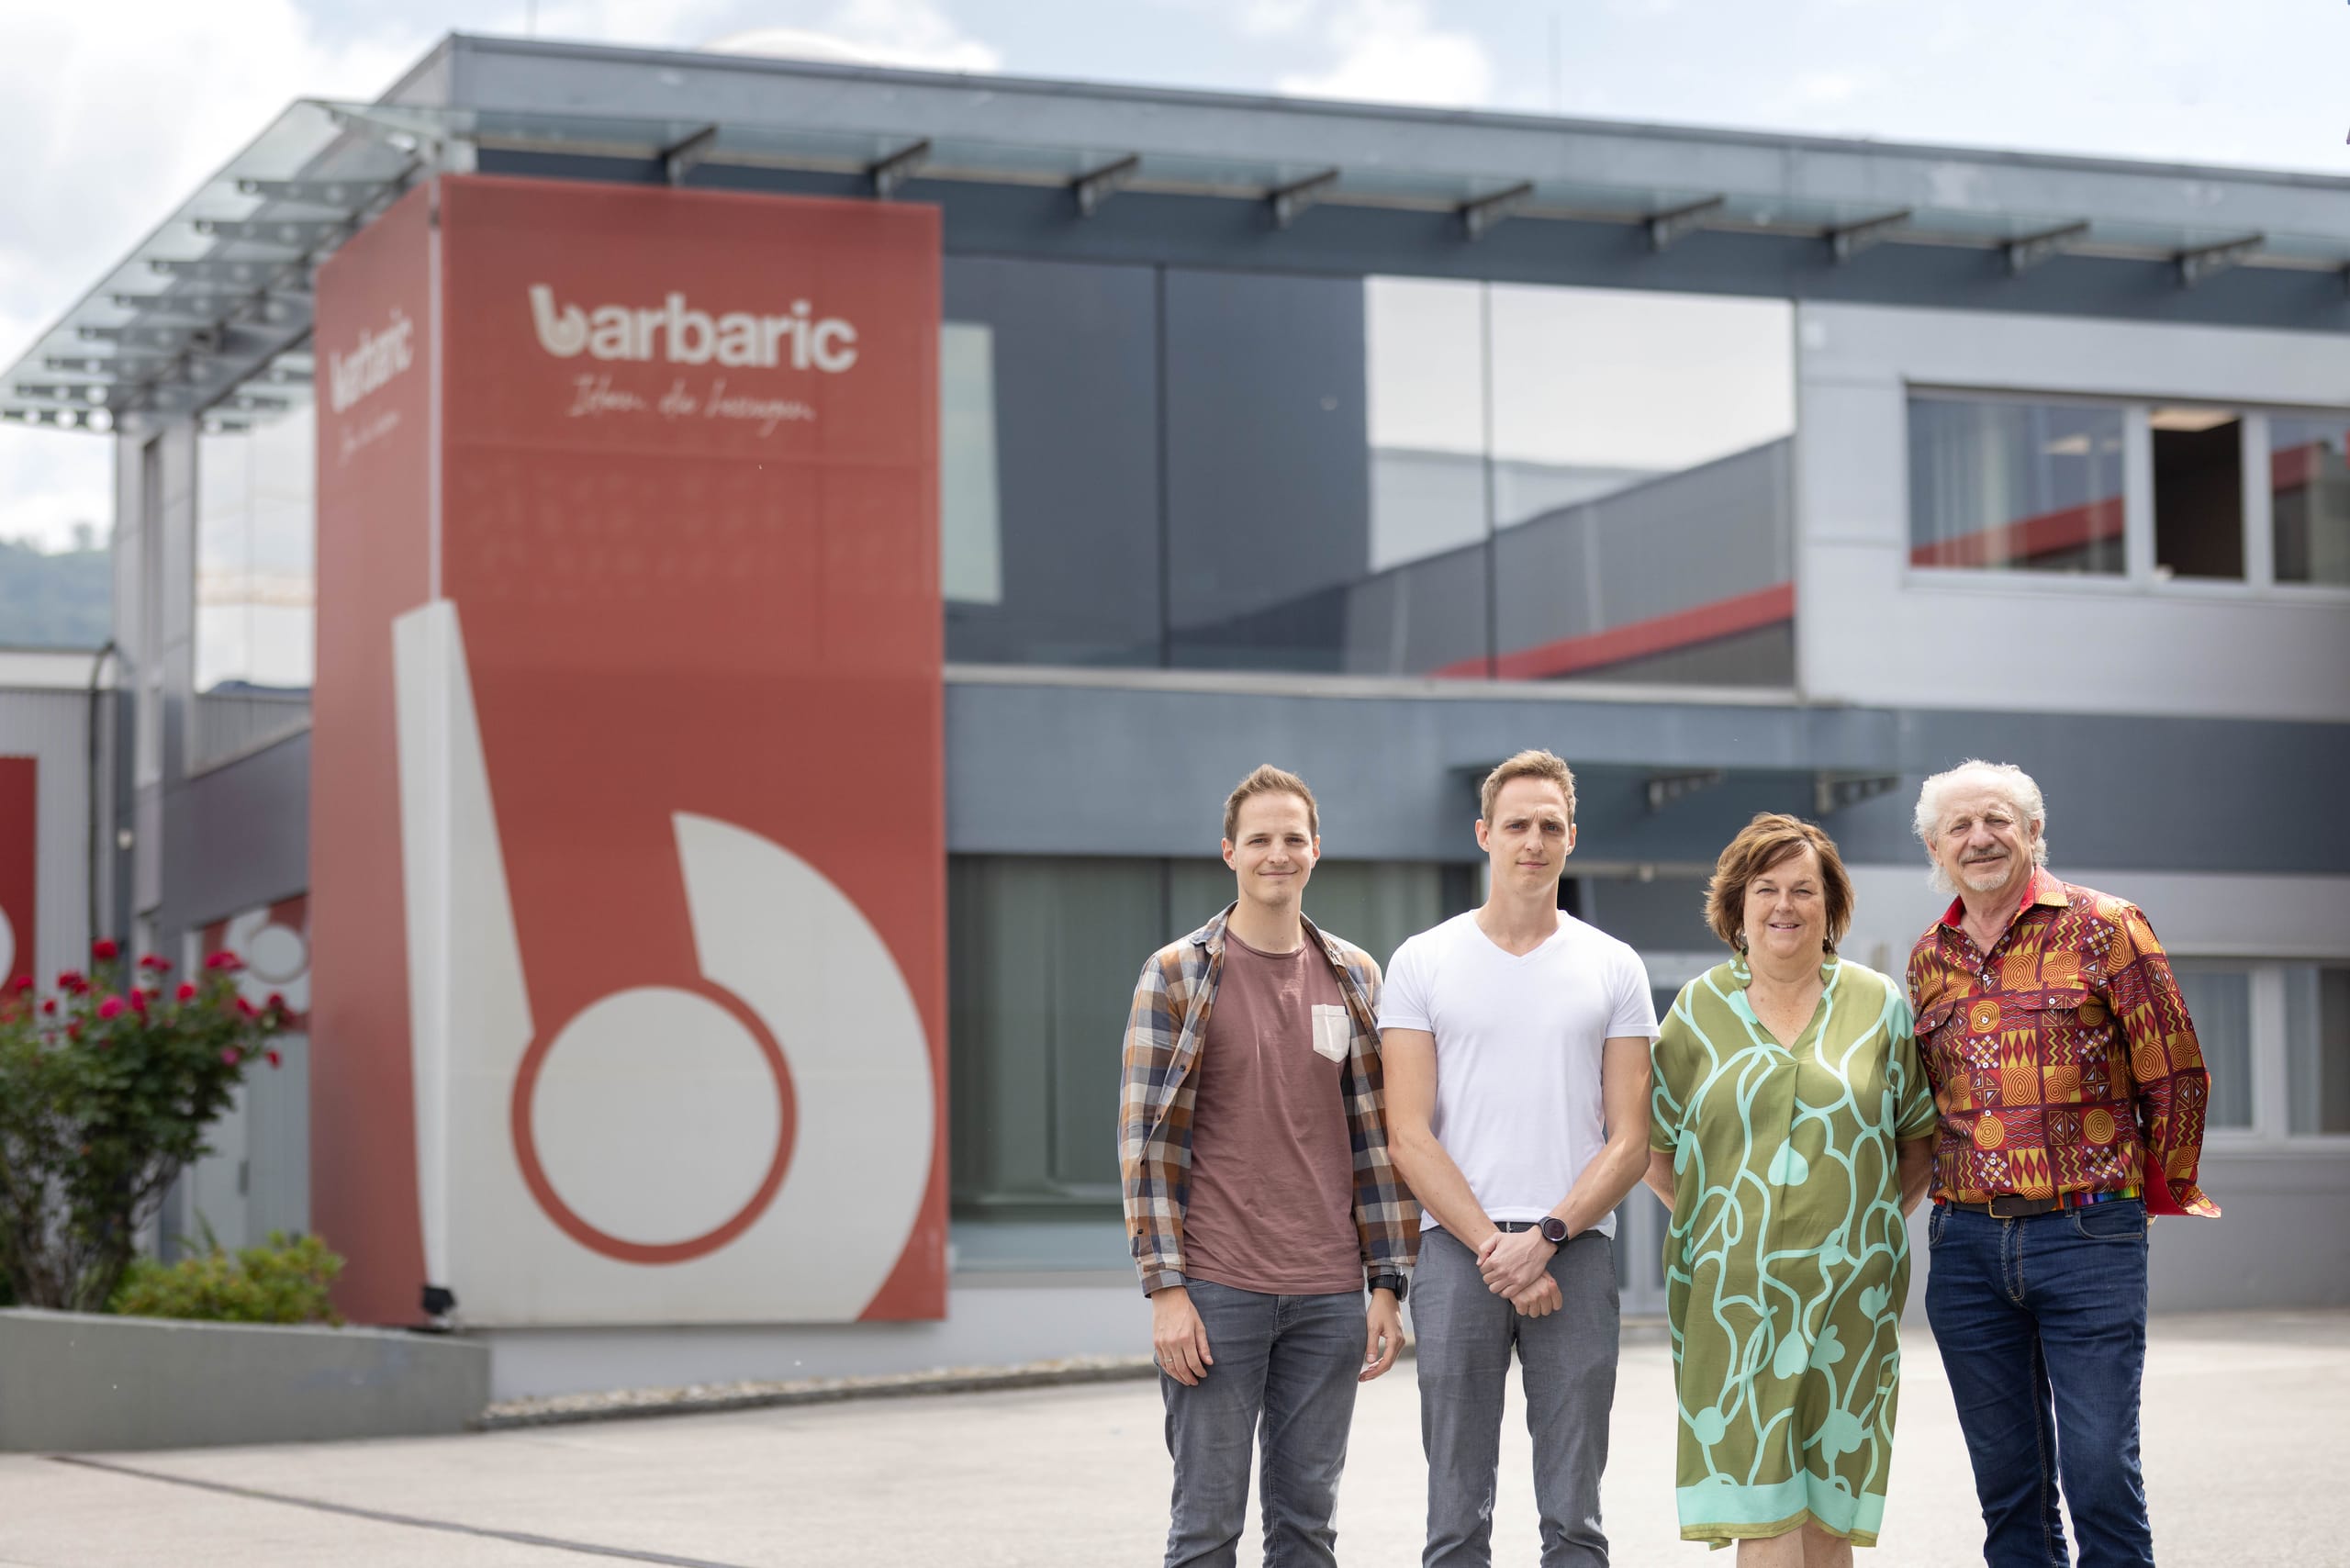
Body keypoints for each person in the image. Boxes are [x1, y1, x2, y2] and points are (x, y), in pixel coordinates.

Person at [1907, 759, 2218, 1568]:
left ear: (2033, 833)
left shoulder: (2107, 925)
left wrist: (2141, 1194)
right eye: (1960, 828)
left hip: (2087, 1235)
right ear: (1937, 850)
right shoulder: (1927, 960)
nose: (1980, 839)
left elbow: (2175, 1071)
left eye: (1998, 820)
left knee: (2099, 1474)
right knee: (2009, 1490)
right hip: (1967, 1249)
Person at [1117, 764, 1417, 1568]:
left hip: (1327, 1295)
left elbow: (1379, 1140)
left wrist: (1387, 1283)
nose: (1275, 854)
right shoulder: (1177, 975)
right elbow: (1143, 1147)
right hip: (1216, 1292)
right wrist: (1167, 1292)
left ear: (1316, 850)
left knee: (1307, 1531)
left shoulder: (1357, 977)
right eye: (1259, 840)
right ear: (1229, 852)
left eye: (1292, 838)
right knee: (1206, 1529)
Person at [1380, 748, 1657, 1568]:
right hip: (1454, 1255)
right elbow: (1408, 1133)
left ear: (1572, 838)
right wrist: (1497, 1249)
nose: (1532, 840)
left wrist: (1545, 1237)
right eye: (1516, 825)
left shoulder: (1614, 965)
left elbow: (1630, 1139)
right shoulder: (1422, 961)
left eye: (1549, 826)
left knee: (1576, 1516)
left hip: (1573, 1254)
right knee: (1455, 1518)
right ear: (1483, 835)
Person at [1644, 813, 1938, 1564]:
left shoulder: (1879, 1006)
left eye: (1803, 889)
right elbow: (1651, 1147)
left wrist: (1859, 1229)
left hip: (1852, 1299)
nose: (1784, 905)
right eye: (1766, 888)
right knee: (1762, 1506)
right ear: (1737, 906)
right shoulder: (1697, 1013)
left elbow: (1918, 1142)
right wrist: (1720, 1231)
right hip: (1728, 1301)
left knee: (1829, 1513)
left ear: (1830, 904)